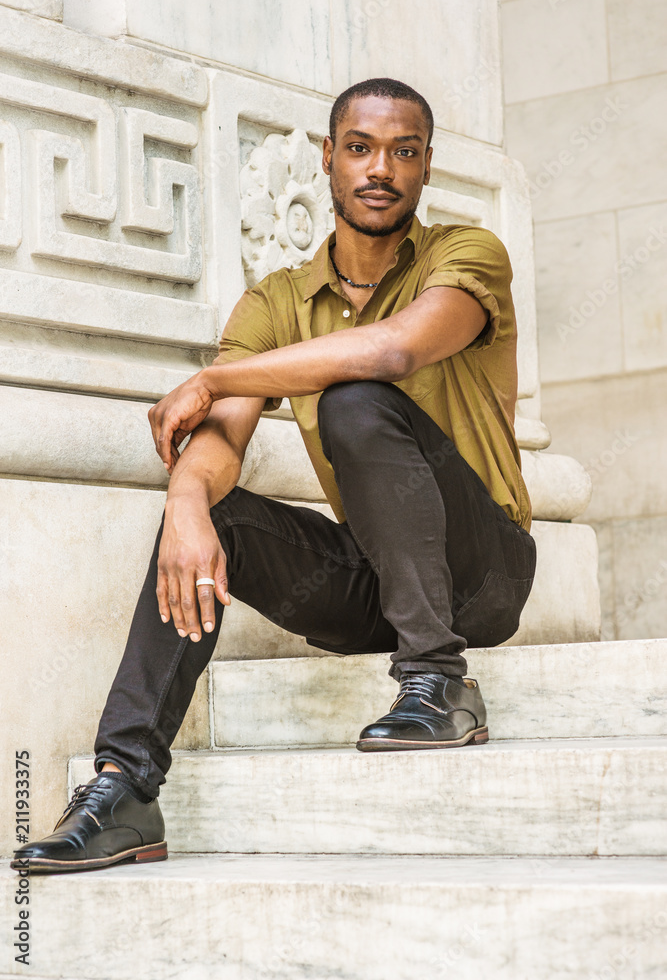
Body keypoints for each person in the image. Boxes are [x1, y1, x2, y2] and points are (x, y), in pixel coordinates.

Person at [11, 78, 536, 874]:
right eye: (359, 148)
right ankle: (125, 786)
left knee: (356, 400)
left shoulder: (466, 255)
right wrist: (185, 503)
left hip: (483, 568)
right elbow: (218, 445)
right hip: (377, 582)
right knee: (207, 520)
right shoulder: (276, 300)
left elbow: (393, 350)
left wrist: (223, 378)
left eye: (403, 152)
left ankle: (438, 683)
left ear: (426, 167)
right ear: (329, 159)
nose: (379, 169)